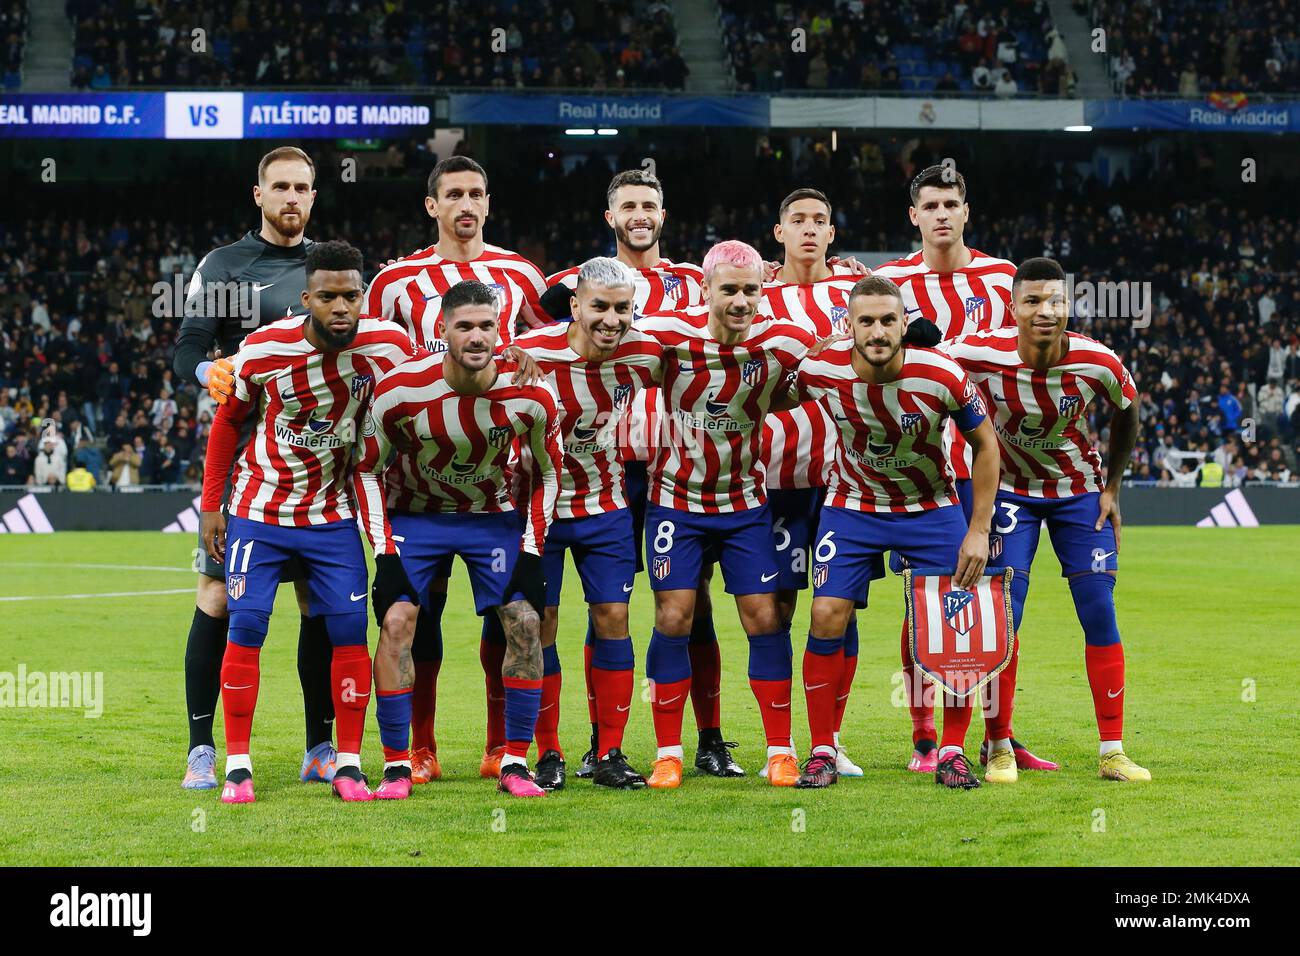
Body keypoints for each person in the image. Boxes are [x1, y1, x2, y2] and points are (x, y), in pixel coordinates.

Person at [198, 240, 417, 803]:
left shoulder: (389, 346)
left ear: (364, 296)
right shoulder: (263, 349)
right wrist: (210, 505)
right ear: (306, 298)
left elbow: (430, 381)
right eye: (327, 296)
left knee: (347, 633)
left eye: (351, 295)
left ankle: (346, 762)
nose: (341, 306)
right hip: (259, 509)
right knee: (246, 628)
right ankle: (238, 767)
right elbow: (228, 423)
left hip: (333, 513)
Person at [541, 168, 738, 778]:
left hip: (671, 470)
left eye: (649, 204)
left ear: (663, 212)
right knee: (569, 614)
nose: (640, 214)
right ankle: (573, 743)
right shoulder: (571, 285)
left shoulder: (691, 282)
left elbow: (739, 316)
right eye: (628, 205)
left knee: (688, 605)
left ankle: (704, 738)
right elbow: (535, 342)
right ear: (611, 216)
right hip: (598, 469)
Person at [363, 155, 551, 783]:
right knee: (422, 617)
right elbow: (371, 355)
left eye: (477, 193)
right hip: (415, 483)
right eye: (454, 195)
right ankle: (417, 748)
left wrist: (523, 360)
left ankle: (505, 748)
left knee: (512, 618)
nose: (466, 205)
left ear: (488, 203)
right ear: (432, 205)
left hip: (491, 484)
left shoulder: (520, 273)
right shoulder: (394, 281)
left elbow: (550, 344)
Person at [785, 274, 1001, 788]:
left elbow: (987, 446)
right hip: (851, 505)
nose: (878, 332)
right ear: (849, 327)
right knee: (825, 612)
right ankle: (821, 749)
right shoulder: (819, 370)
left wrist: (977, 529)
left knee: (954, 624)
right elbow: (781, 392)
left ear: (905, 323)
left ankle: (950, 750)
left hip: (930, 506)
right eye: (866, 322)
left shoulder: (941, 374)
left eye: (888, 320)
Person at [875, 163, 1056, 774]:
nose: (942, 214)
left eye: (952, 203)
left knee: (996, 605)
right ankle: (925, 735)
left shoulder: (1002, 277)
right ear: (915, 216)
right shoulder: (891, 283)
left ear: (966, 211)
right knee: (924, 606)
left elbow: (1019, 364)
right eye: (931, 206)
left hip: (983, 466)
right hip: (920, 470)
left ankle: (999, 736)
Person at [942, 257, 1149, 782]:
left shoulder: (1097, 361)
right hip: (1010, 494)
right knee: (1004, 620)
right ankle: (998, 746)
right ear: (1013, 307)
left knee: (1099, 609)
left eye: (1054, 300)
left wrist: (1115, 486)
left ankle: (1112, 751)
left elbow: (1128, 409)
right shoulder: (978, 351)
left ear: (1068, 305)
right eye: (1032, 301)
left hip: (1079, 492)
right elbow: (924, 364)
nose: (1045, 311)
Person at [172, 145, 339, 791]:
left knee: (317, 604)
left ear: (314, 197)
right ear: (259, 194)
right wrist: (204, 369)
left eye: (303, 187)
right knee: (216, 597)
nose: (292, 197)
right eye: (281, 187)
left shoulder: (332, 267)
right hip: (244, 467)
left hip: (320, 468)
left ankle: (320, 747)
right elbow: (188, 344)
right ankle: (201, 749)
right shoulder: (224, 265)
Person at [636, 239, 816, 789]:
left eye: (751, 291)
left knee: (764, 618)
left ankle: (781, 751)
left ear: (765, 290)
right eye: (729, 290)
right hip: (674, 500)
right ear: (707, 288)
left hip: (744, 503)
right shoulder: (668, 336)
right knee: (674, 618)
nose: (741, 302)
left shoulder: (783, 340)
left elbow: (838, 351)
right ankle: (668, 752)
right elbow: (606, 343)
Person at [513, 257, 666, 789]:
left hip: (605, 507)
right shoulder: (531, 355)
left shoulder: (645, 353)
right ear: (575, 304)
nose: (610, 319)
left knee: (613, 619)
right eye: (599, 306)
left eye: (622, 308)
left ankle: (609, 753)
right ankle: (549, 753)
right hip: (540, 511)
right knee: (538, 627)